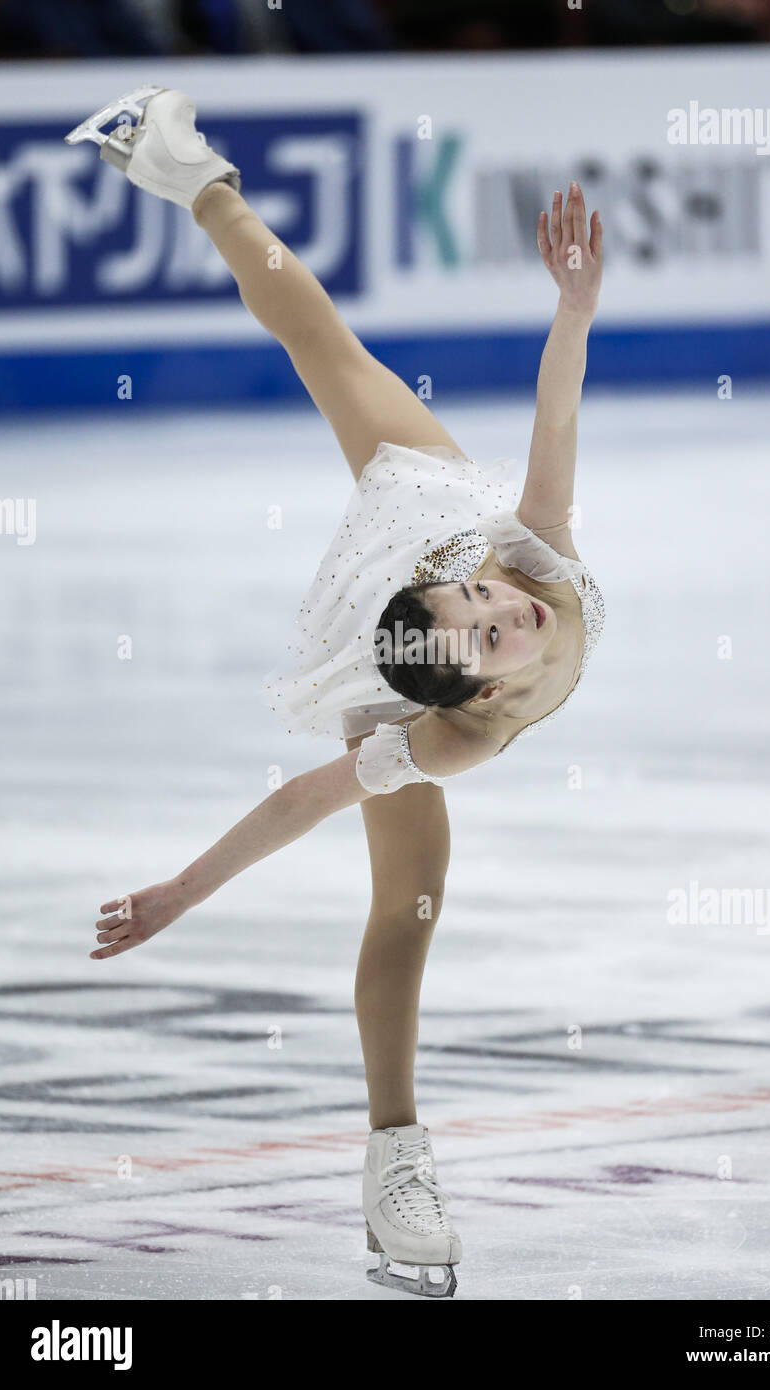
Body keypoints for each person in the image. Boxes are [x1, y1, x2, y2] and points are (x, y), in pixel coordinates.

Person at [65, 88, 605, 1297]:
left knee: (327, 344)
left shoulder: (522, 553)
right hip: (386, 634)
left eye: (494, 606)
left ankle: (184, 165)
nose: (511, 612)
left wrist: (570, 313)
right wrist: (178, 895)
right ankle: (394, 1162)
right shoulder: (445, 737)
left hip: (433, 523)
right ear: (465, 693)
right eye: (492, 631)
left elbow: (552, 416)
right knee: (406, 915)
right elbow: (303, 799)